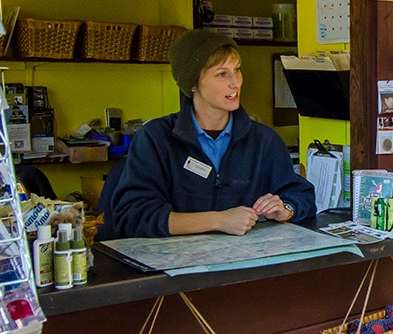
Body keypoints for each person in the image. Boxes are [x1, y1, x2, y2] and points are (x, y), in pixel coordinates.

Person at [108, 29, 316, 239]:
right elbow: (133, 215)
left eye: (237, 70)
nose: (235, 82)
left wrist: (285, 209)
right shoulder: (155, 138)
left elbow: (301, 195)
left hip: (244, 264)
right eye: (222, 74)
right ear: (192, 84)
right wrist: (219, 220)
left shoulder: (263, 140)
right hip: (174, 265)